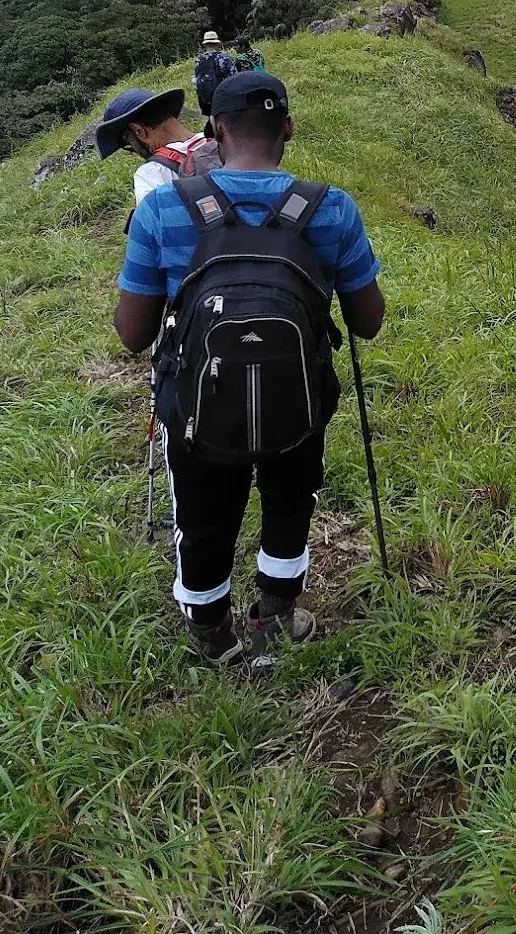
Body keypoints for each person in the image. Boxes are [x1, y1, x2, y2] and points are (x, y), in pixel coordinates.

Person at [113, 72, 385, 668]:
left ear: (214, 130)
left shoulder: (163, 207)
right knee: (290, 500)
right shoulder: (331, 209)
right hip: (299, 400)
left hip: (197, 405)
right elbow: (367, 322)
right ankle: (276, 617)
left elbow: (133, 335)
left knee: (203, 514)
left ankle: (214, 636)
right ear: (288, 127)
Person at [95, 87, 213, 203]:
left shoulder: (151, 173)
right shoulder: (221, 137)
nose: (134, 151)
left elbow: (152, 221)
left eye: (129, 144)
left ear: (138, 131)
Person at [193, 31, 236, 119]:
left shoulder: (198, 60)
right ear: (217, 44)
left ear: (205, 45)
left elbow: (197, 79)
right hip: (223, 96)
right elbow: (234, 77)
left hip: (206, 98)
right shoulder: (224, 57)